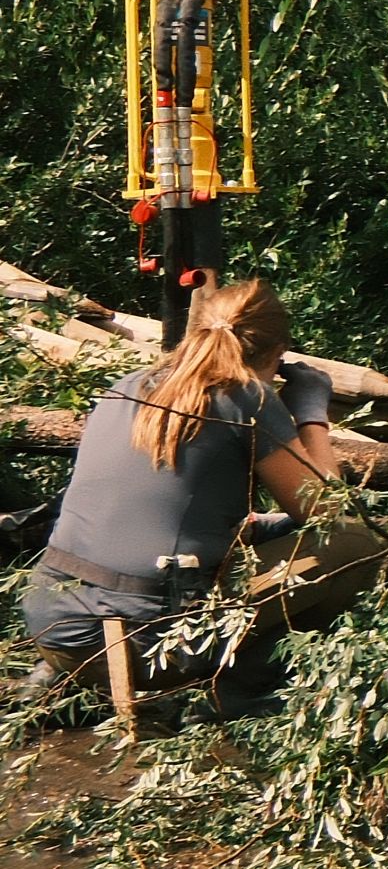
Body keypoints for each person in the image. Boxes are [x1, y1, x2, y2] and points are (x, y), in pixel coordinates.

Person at [21, 275, 329, 700]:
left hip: (53, 627)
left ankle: (59, 674)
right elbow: (328, 511)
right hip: (150, 646)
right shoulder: (248, 396)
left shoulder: (128, 384)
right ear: (279, 353)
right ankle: (228, 697)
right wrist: (312, 412)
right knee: (361, 548)